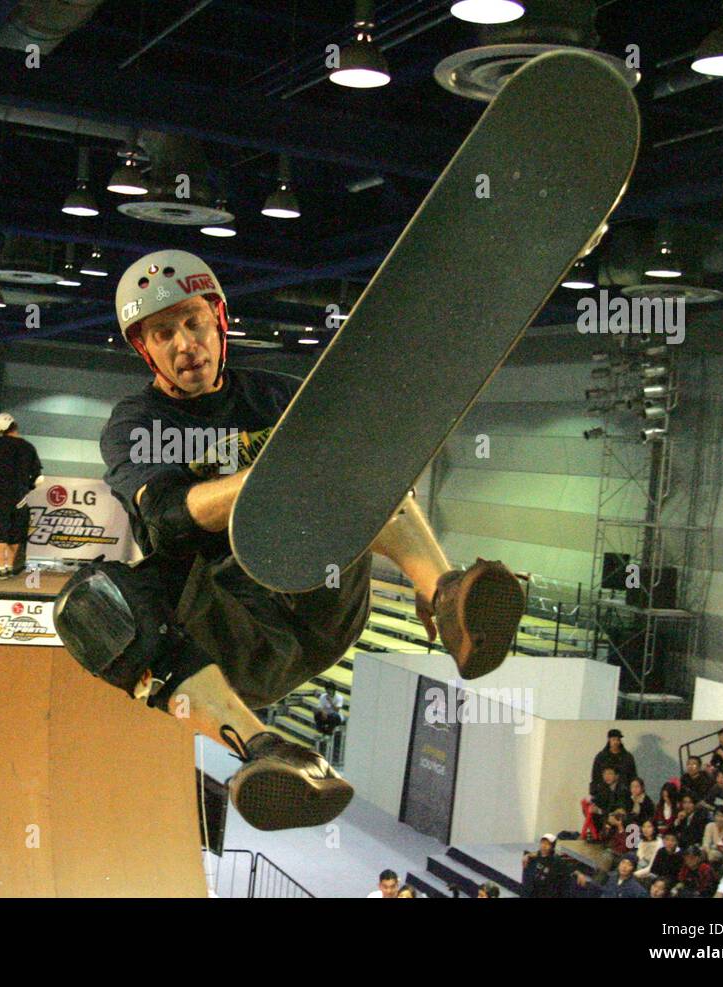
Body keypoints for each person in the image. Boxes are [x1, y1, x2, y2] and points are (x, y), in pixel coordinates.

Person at [54, 250, 525, 832]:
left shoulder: (280, 397)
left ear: (219, 319)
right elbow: (170, 519)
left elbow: (374, 472)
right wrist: (265, 483)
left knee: (351, 457)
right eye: (163, 333)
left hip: (320, 598)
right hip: (232, 631)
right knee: (88, 601)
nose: (185, 345)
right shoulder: (134, 426)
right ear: (143, 348)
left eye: (194, 322)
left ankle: (448, 595)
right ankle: (266, 750)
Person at [0, 412, 42, 579]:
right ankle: (10, 566)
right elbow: (38, 476)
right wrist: (27, 486)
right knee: (16, 532)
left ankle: (1, 568)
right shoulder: (29, 447)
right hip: (20, 496)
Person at [522, 834, 573, 898]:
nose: (544, 846)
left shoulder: (556, 861)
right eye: (542, 843)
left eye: (547, 844)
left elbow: (568, 869)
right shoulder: (536, 855)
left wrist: (578, 874)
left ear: (552, 846)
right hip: (535, 890)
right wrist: (527, 855)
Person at [577, 854, 647, 898]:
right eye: (623, 863)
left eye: (629, 865)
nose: (624, 867)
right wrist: (586, 881)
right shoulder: (611, 877)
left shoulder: (636, 889)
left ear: (633, 869)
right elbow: (601, 889)